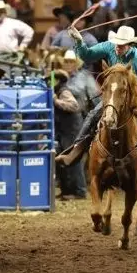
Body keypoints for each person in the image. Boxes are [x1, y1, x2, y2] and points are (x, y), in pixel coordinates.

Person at [55, 25, 137, 185]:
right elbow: (87, 55)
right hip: (116, 94)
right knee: (93, 115)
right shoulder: (109, 47)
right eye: (117, 43)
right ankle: (74, 151)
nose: (118, 46)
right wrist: (79, 42)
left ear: (130, 45)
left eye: (122, 44)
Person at [51, 69, 86, 200]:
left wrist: (56, 101)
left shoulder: (64, 92)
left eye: (52, 79)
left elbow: (73, 106)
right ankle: (66, 190)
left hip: (72, 130)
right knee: (62, 158)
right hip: (64, 130)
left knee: (74, 159)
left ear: (58, 80)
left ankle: (79, 191)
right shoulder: (59, 91)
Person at [60, 50, 100, 117]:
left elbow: (95, 96)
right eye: (66, 62)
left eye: (71, 62)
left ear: (75, 64)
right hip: (62, 117)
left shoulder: (84, 76)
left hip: (81, 116)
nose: (68, 64)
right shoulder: (60, 77)